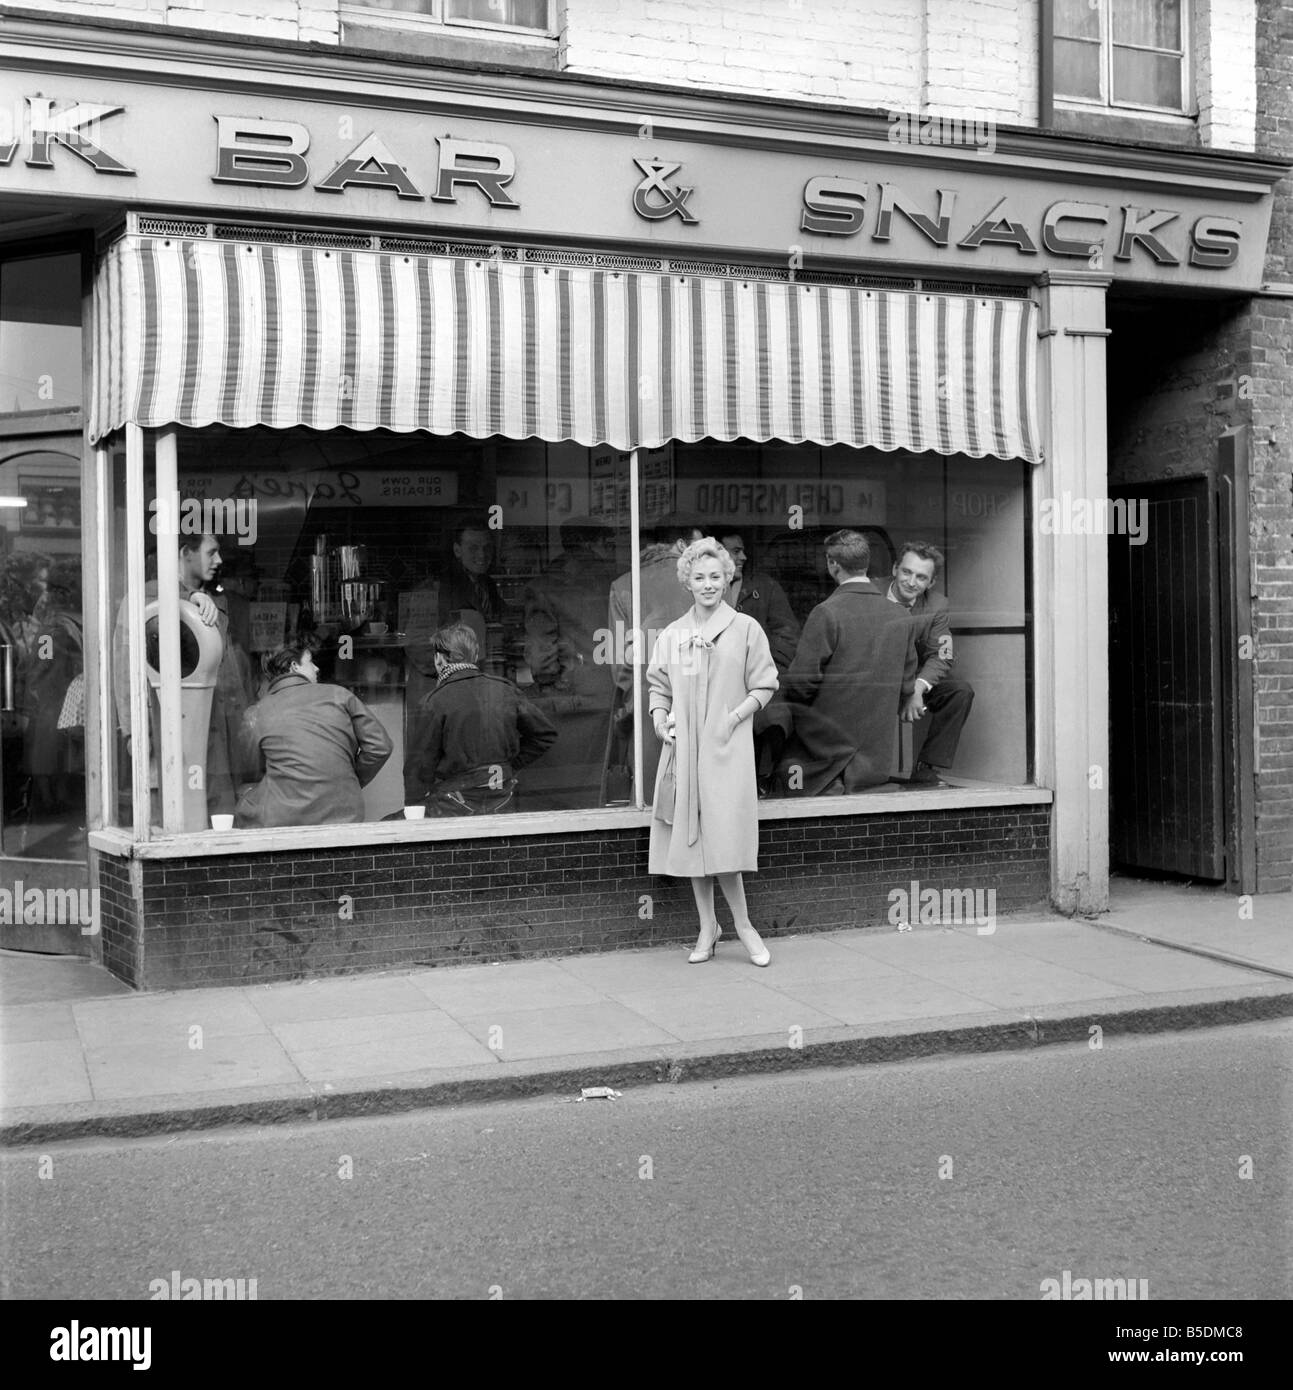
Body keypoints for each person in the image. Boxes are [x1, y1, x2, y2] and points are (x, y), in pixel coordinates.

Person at [647, 538, 779, 967]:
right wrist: (658, 717)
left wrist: (734, 716)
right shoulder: (673, 635)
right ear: (687, 582)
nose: (708, 585)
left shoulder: (745, 629)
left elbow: (765, 684)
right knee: (692, 844)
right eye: (699, 577)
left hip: (727, 751)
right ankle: (707, 926)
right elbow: (658, 686)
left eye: (716, 577)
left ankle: (743, 925)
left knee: (724, 841)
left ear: (727, 579)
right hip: (684, 752)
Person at [777, 529, 920, 795]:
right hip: (875, 764)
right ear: (866, 563)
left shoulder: (826, 613)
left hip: (824, 761)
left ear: (833, 564)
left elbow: (800, 684)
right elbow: (906, 685)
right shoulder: (900, 615)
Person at [404, 622, 557, 816]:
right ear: (475, 656)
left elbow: (419, 767)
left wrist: (413, 808)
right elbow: (544, 735)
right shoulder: (506, 690)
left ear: (439, 660)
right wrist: (509, 766)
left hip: (453, 803)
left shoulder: (434, 701)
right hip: (504, 796)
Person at [235, 642, 392, 827]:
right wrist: (346, 779)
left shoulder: (257, 712)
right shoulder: (339, 695)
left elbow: (250, 769)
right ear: (294, 666)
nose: (317, 668)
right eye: (310, 662)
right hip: (346, 813)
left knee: (243, 801)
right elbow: (380, 746)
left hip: (285, 818)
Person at [605, 519, 706, 802]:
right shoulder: (703, 584)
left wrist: (630, 710)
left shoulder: (624, 585)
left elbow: (621, 666)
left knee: (655, 799)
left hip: (649, 710)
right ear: (679, 546)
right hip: (704, 705)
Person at [522, 518, 619, 808]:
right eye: (608, 543)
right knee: (604, 785)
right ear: (594, 543)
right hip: (613, 692)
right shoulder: (619, 579)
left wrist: (550, 684)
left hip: (571, 699)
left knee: (564, 792)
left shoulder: (545, 584)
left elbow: (541, 657)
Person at [716, 527, 799, 793]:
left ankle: (761, 783)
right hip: (716, 691)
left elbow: (787, 637)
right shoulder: (700, 589)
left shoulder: (765, 587)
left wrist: (764, 670)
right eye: (735, 551)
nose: (743, 557)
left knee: (772, 725)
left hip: (760, 691)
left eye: (743, 550)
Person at [886, 542, 975, 786]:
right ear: (895, 569)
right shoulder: (870, 592)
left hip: (912, 681)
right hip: (872, 682)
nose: (911, 582)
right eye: (906, 572)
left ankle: (927, 767)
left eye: (921, 577)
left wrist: (916, 689)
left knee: (959, 691)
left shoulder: (937, 605)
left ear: (931, 582)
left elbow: (943, 654)